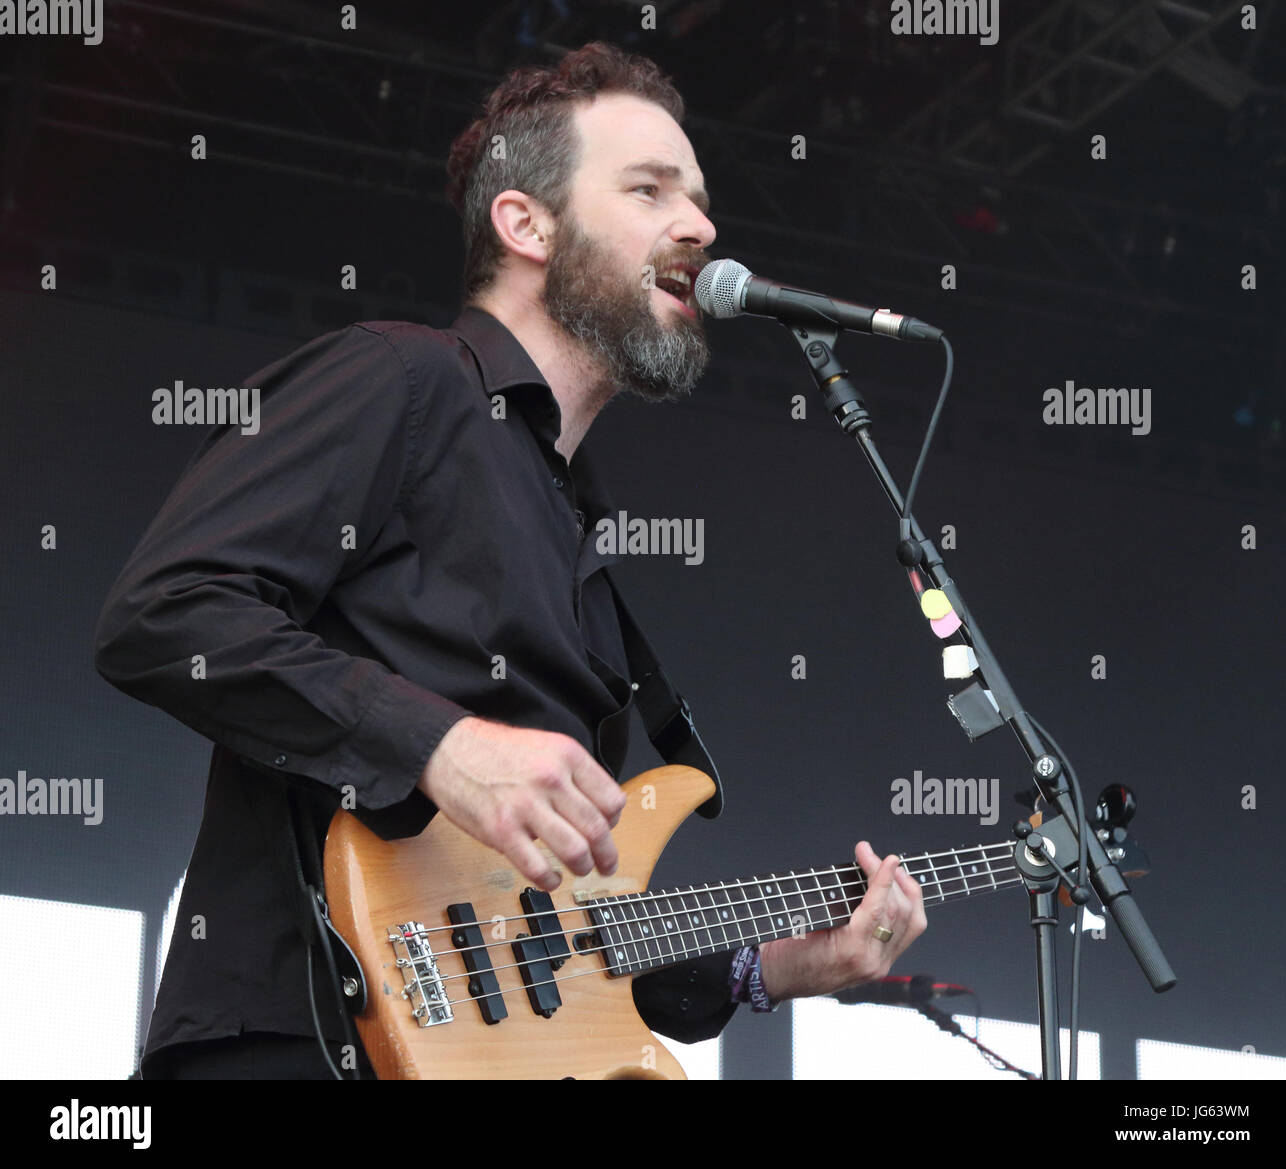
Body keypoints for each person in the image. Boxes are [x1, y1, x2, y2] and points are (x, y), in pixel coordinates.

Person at [94, 41, 926, 1080]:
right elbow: (164, 611)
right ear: (526, 223)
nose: (703, 226)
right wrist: (441, 745)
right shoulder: (401, 381)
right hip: (295, 1040)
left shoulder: (577, 524)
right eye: (648, 187)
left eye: (701, 198)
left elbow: (553, 944)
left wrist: (778, 967)